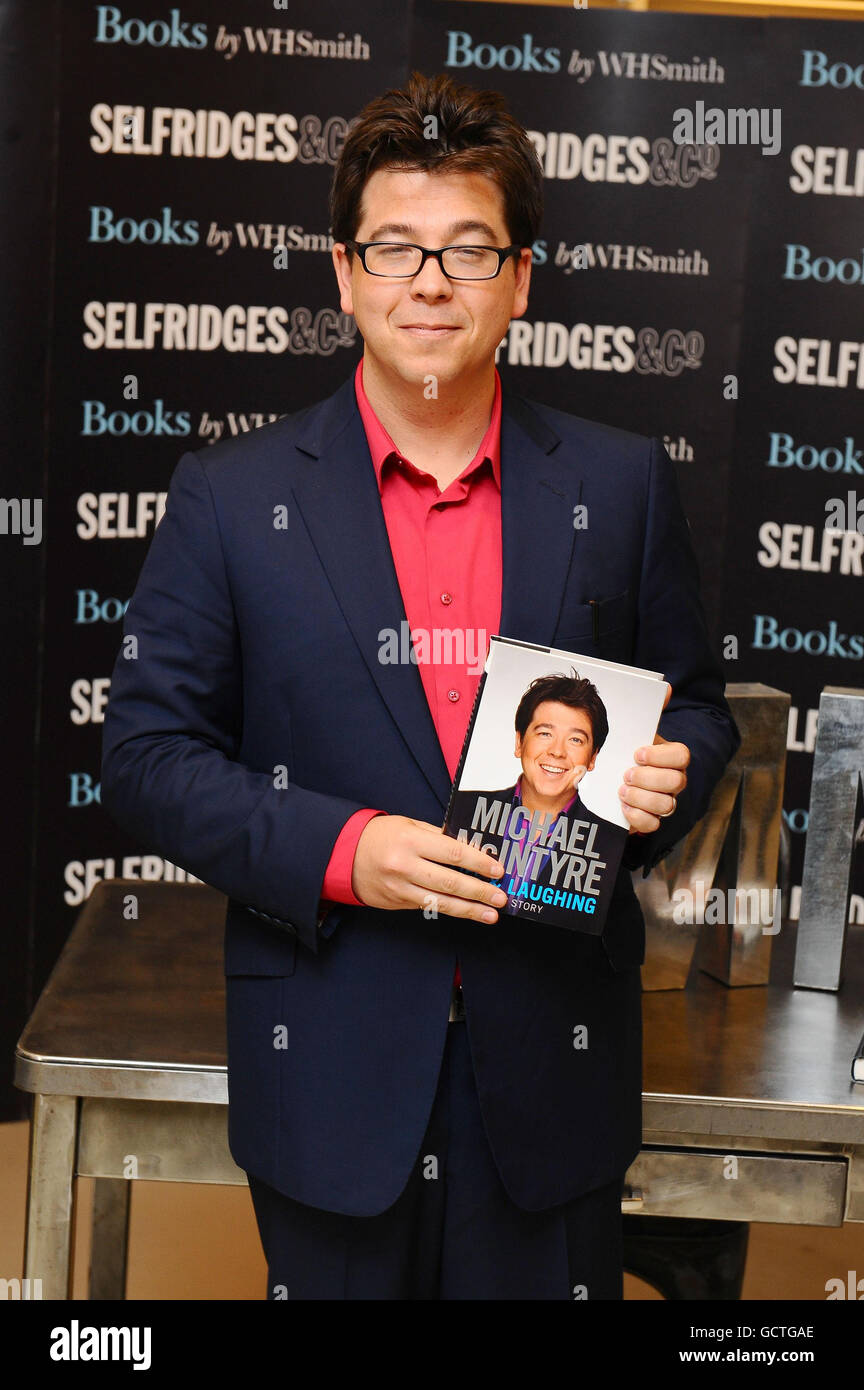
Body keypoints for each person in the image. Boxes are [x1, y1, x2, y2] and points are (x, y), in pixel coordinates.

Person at [101, 71, 740, 1300]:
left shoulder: (620, 487)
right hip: (331, 1070)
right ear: (346, 276)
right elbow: (146, 752)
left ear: (520, 279)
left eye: (467, 248)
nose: (430, 281)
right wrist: (348, 849)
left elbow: (697, 707)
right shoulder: (230, 500)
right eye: (395, 247)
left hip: (551, 1068)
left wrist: (674, 771)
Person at [447, 672, 625, 920]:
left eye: (575, 739)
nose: (557, 751)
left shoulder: (612, 842)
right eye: (545, 733)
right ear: (519, 741)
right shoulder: (463, 807)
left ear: (593, 757)